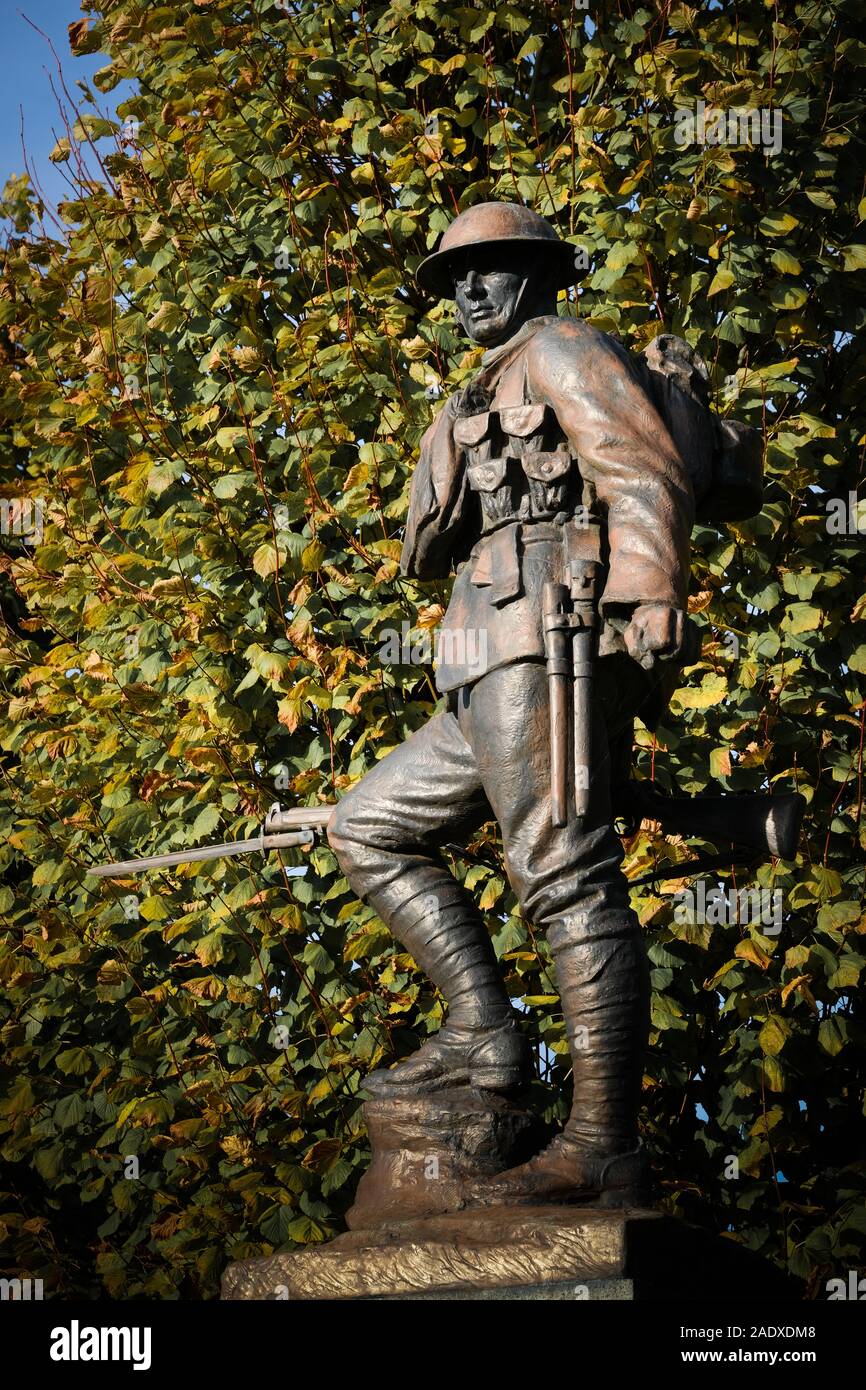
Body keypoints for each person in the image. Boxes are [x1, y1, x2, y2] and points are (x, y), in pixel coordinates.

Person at [327, 202, 697, 1205]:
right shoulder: (476, 387)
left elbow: (637, 468)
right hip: (480, 653)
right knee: (367, 826)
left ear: (537, 274)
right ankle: (482, 1029)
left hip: (547, 636)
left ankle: (601, 1142)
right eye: (455, 279)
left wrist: (653, 590)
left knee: (562, 876)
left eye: (490, 270)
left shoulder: (565, 348)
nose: (468, 292)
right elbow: (426, 537)